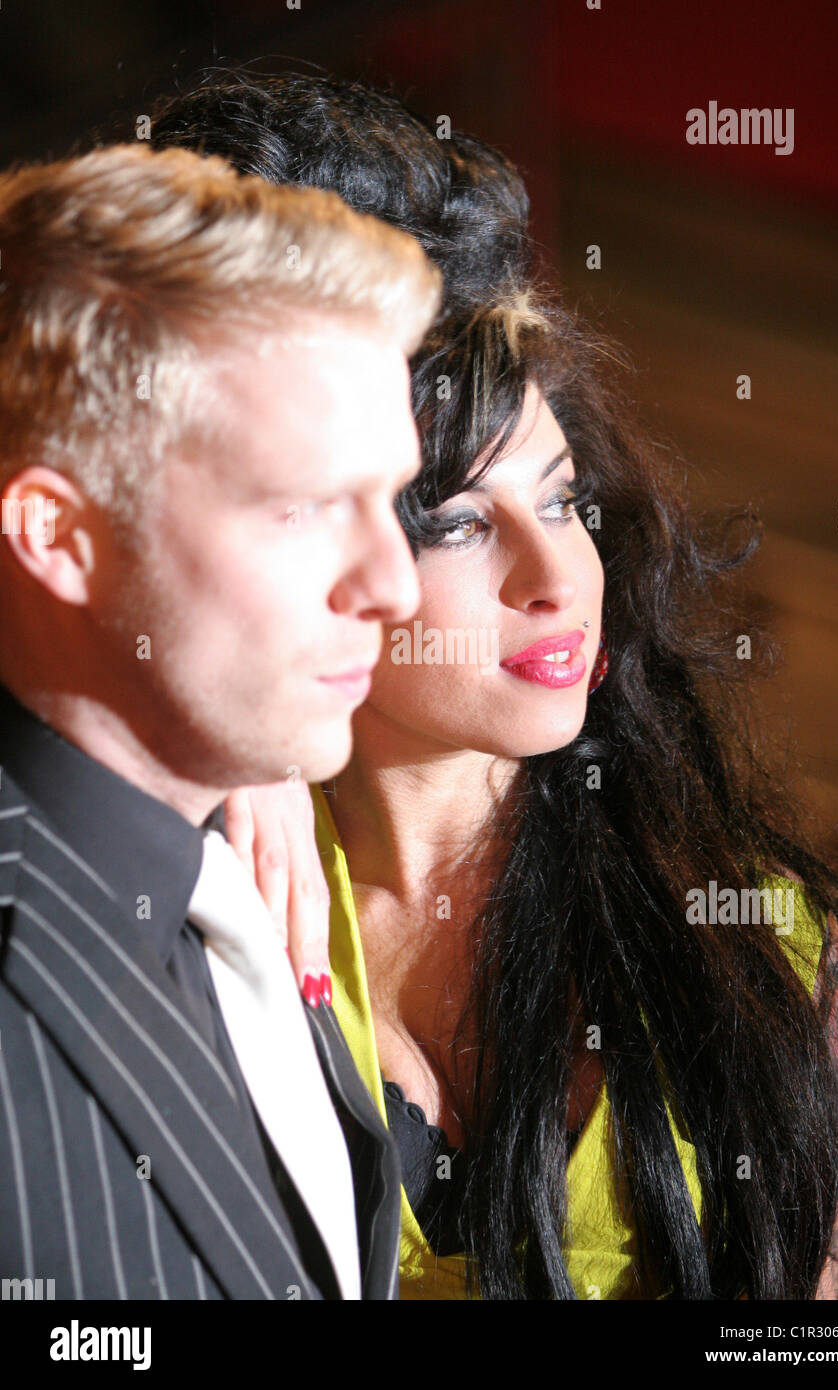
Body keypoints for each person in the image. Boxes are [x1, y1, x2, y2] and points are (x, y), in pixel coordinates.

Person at [146, 74, 838, 1299]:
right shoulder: (182, 902)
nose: (558, 576)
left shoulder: (762, 955)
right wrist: (229, 756)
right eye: (452, 525)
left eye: (557, 500)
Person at [0, 142, 441, 1300]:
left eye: (389, 499)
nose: (393, 583)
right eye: (301, 506)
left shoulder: (225, 859)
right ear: (58, 536)